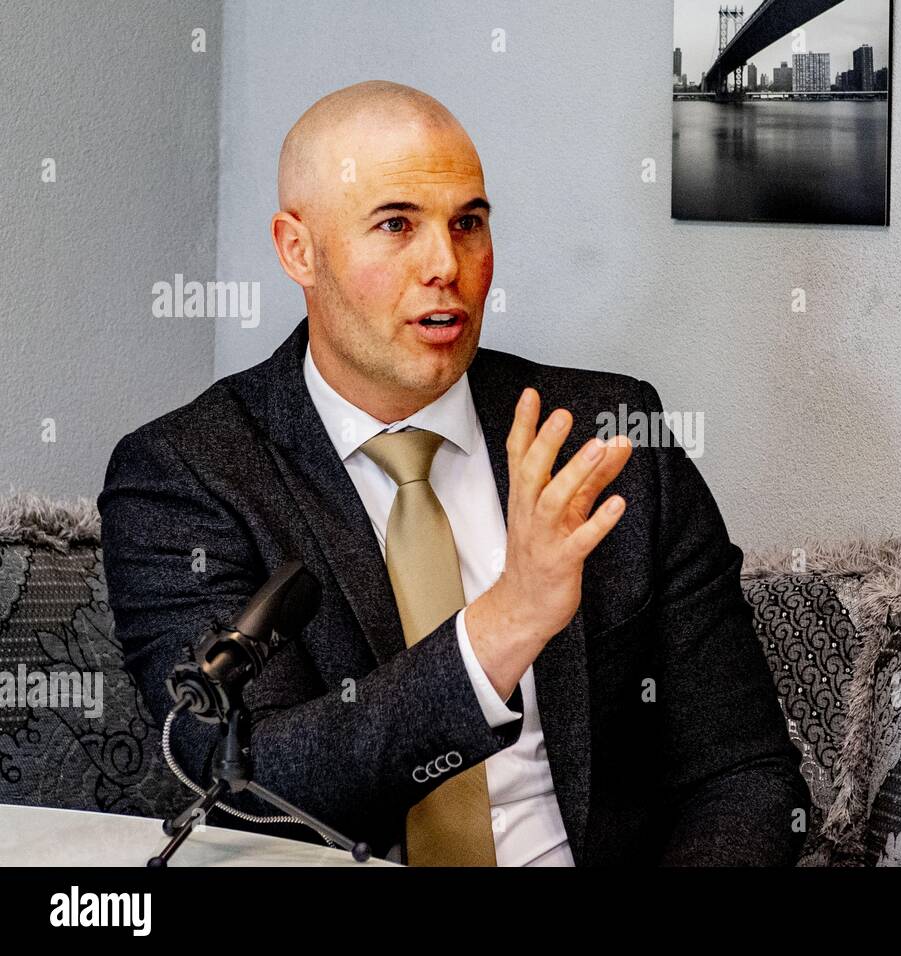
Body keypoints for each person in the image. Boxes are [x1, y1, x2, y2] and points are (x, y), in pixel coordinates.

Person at [98, 80, 809, 866]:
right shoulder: (187, 473)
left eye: (468, 223)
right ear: (298, 249)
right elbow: (249, 780)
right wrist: (505, 623)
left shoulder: (609, 435)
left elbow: (744, 774)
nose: (447, 265)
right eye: (396, 224)